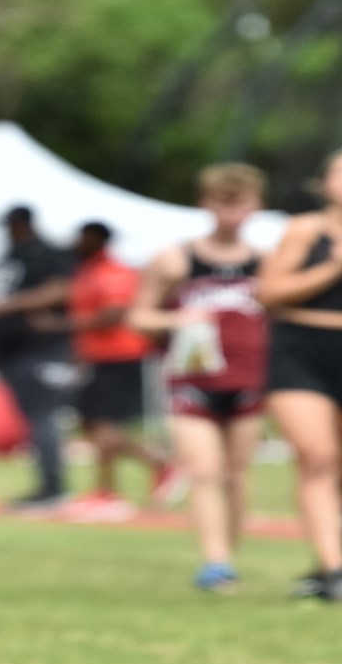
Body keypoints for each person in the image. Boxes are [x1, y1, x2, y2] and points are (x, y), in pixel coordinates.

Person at [129, 164, 270, 593]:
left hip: (249, 378)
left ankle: (231, 553)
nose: (231, 214)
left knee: (237, 473)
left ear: (255, 207)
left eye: (240, 204)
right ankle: (215, 560)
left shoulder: (265, 263)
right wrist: (176, 319)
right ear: (205, 204)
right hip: (193, 380)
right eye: (222, 203)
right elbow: (139, 315)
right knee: (204, 470)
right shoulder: (176, 259)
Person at [41, 222, 173, 522]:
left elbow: (114, 314)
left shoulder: (113, 273)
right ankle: (145, 468)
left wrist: (60, 326)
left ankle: (111, 488)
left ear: (97, 238)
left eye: (82, 237)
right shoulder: (86, 271)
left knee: (105, 426)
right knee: (90, 424)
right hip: (97, 357)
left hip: (120, 356)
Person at [259, 149, 342, 601]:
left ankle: (326, 559)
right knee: (317, 456)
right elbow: (269, 293)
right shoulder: (305, 231)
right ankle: (334, 571)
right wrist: (333, 266)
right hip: (303, 350)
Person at [0, 206, 76, 510]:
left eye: (12, 226)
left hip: (44, 348)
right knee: (32, 418)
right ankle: (47, 486)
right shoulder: (8, 257)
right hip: (10, 351)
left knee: (43, 416)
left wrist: (9, 305)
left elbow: (62, 290)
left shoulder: (50, 254)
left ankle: (53, 488)